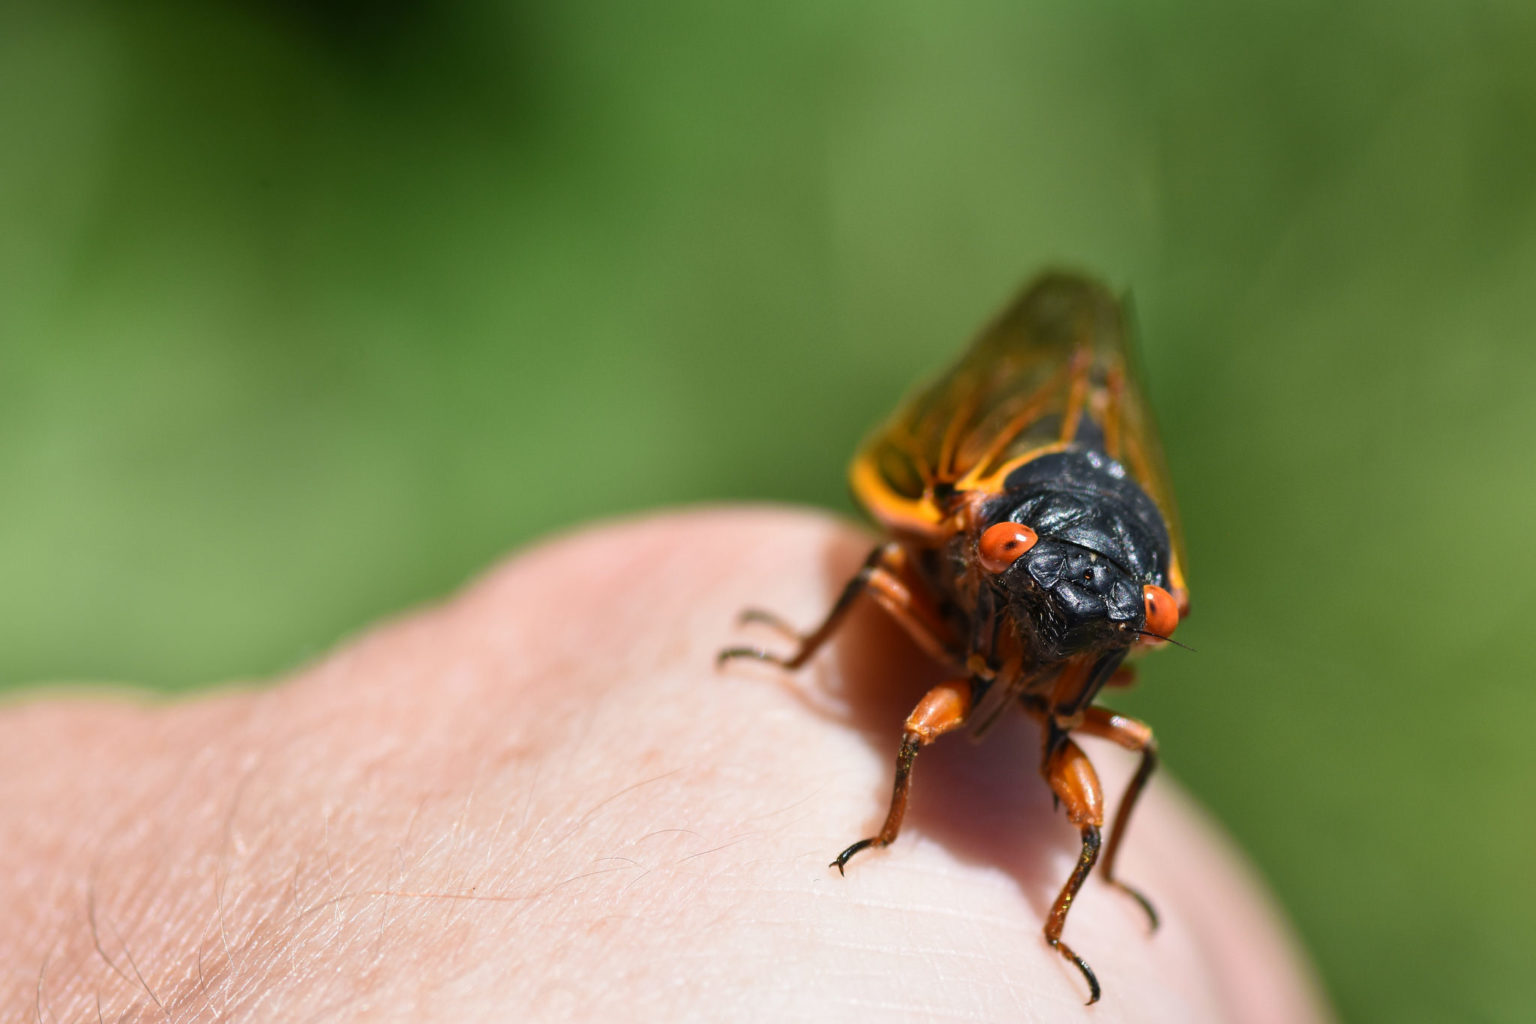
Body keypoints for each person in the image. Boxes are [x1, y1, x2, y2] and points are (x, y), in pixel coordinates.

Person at [2, 509, 1332, 1021]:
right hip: (973, 565)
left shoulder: (1107, 703)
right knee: (886, 602)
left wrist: (1078, 897)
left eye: (1138, 621)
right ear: (1002, 547)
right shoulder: (979, 558)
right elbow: (888, 563)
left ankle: (1069, 891)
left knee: (1116, 776)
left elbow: (1122, 755)